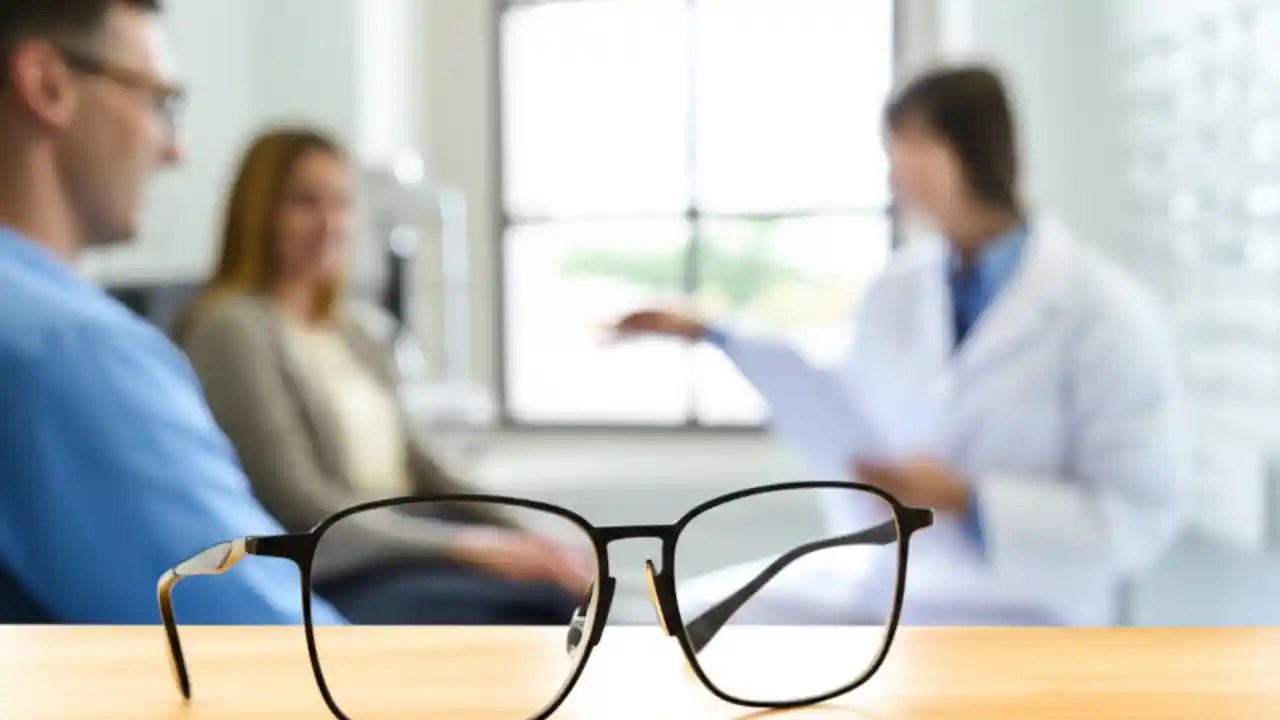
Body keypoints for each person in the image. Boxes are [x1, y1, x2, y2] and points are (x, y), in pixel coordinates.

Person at [614, 66, 1192, 626]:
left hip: (1026, 609)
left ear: (960, 152)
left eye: (905, 148)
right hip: (894, 580)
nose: (894, 175)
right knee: (686, 622)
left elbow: (1140, 514)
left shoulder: (1105, 313)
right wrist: (711, 332)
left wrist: (971, 500)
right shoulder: (898, 289)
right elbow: (846, 398)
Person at [0, 0, 345, 623]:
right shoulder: (65, 345)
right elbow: (269, 638)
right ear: (47, 85)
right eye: (158, 101)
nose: (175, 149)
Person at [171, 128, 588, 625]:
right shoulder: (231, 329)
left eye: (341, 203)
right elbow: (301, 504)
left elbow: (422, 465)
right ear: (260, 211)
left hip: (398, 550)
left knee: (567, 587)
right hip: (333, 571)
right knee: (541, 606)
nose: (328, 223)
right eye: (305, 202)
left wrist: (528, 536)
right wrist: (472, 547)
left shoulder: (354, 332)